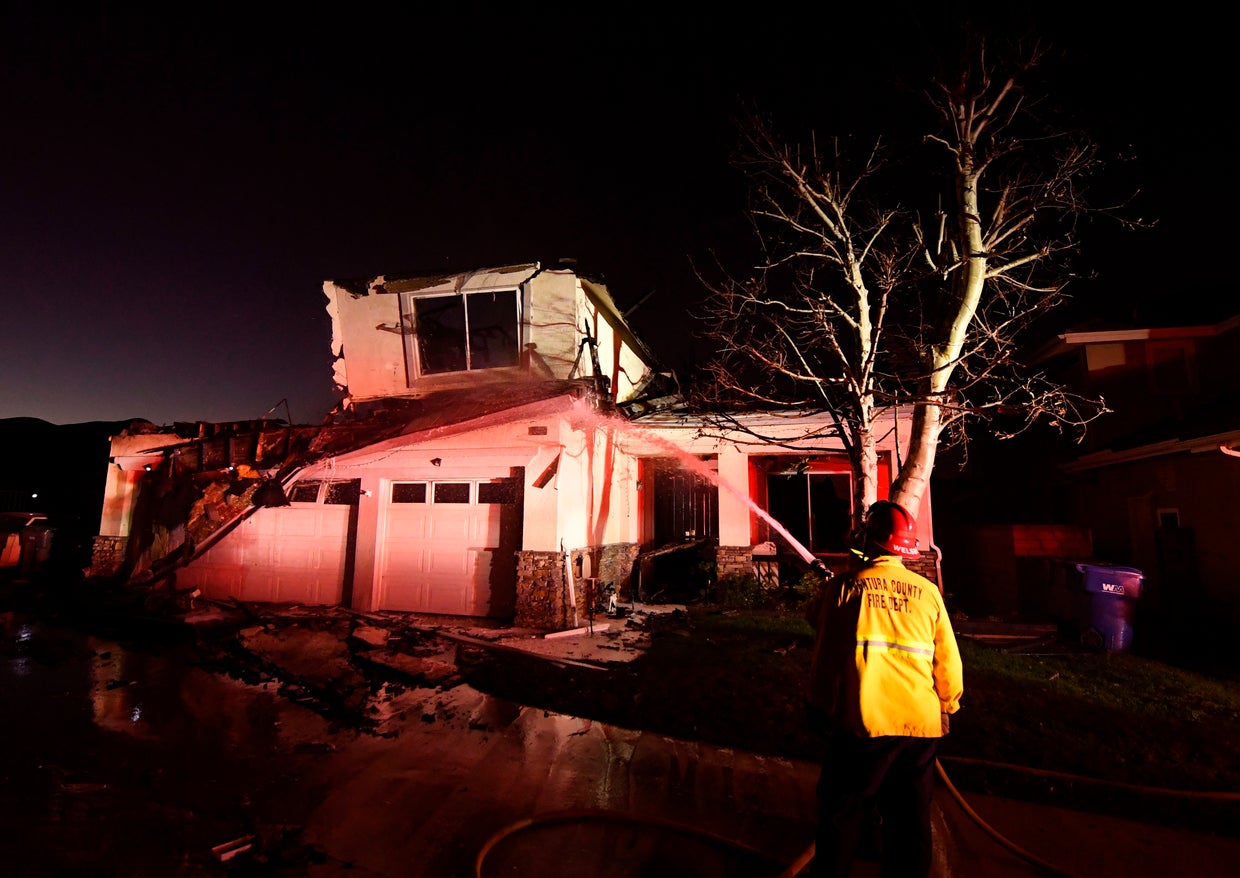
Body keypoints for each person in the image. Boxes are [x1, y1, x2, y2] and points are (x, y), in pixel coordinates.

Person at [804, 500, 963, 877]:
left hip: (864, 722)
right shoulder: (928, 593)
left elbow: (825, 655)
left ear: (867, 538)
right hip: (920, 727)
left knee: (841, 813)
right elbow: (949, 664)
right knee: (910, 821)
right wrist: (948, 706)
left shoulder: (846, 587)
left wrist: (818, 705)